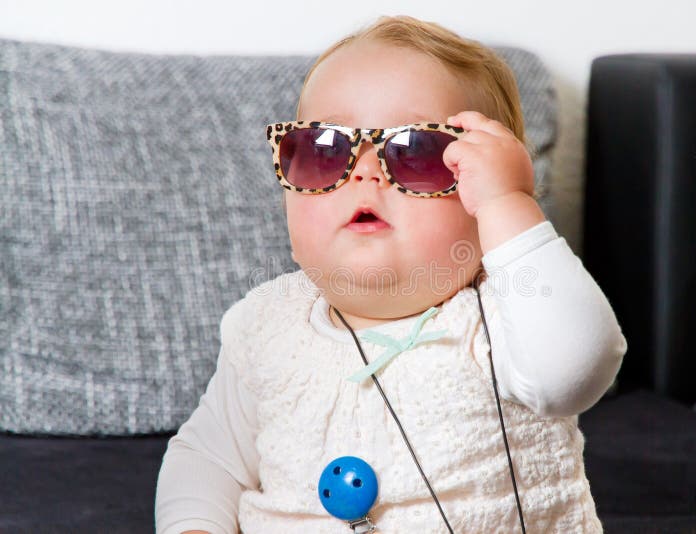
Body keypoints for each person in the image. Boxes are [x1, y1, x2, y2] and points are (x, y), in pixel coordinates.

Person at [155, 14, 627, 534]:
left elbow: (579, 364)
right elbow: (210, 459)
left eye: (415, 151)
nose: (364, 172)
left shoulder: (502, 316)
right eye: (324, 149)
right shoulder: (264, 327)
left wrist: (509, 205)